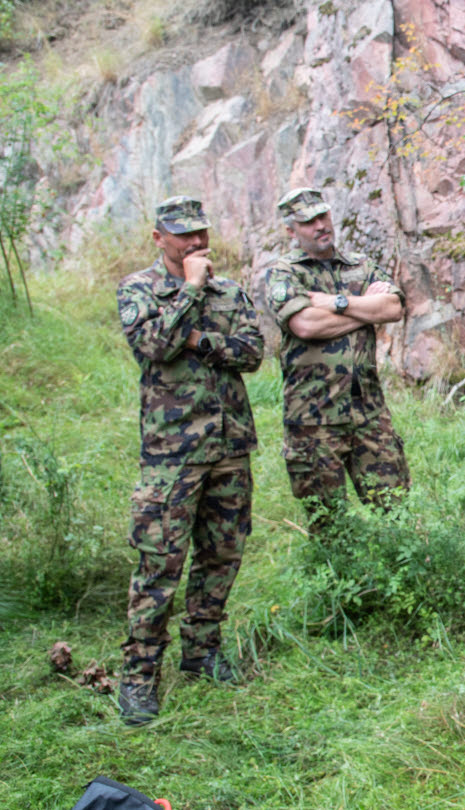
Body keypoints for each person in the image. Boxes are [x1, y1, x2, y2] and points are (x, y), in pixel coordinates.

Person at [115, 196, 264, 725]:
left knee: (221, 556)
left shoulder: (232, 292)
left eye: (201, 231)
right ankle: (138, 677)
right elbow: (155, 345)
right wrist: (192, 290)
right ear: (159, 238)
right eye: (183, 234)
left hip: (229, 446)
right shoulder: (139, 290)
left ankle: (202, 652)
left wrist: (198, 339)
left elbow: (252, 353)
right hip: (171, 455)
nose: (196, 242)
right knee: (159, 564)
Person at [260, 187, 410, 529]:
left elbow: (393, 307)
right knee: (328, 526)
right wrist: (365, 310)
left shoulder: (360, 266)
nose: (319, 226)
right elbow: (306, 325)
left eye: (322, 216)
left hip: (369, 414)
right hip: (314, 419)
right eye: (308, 222)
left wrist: (335, 303)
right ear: (291, 230)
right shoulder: (285, 274)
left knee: (396, 517)